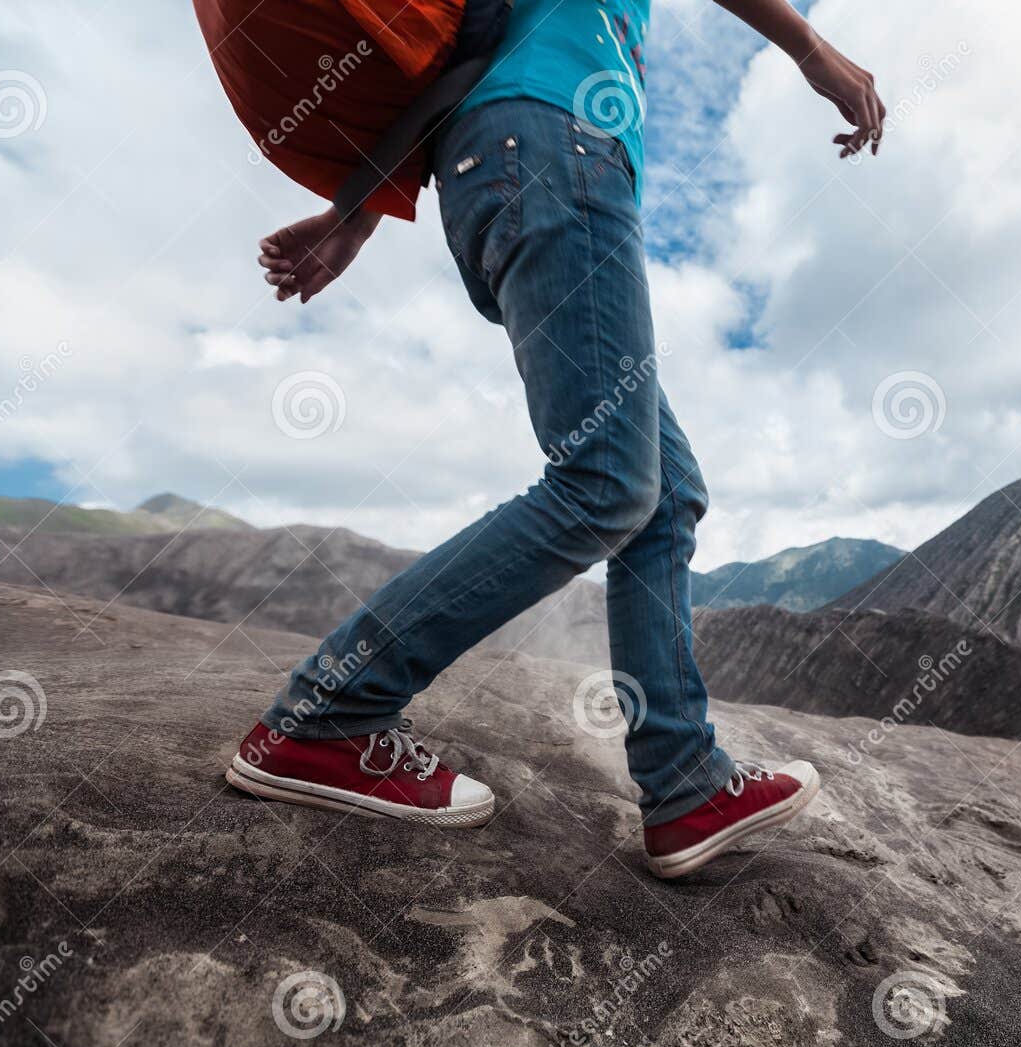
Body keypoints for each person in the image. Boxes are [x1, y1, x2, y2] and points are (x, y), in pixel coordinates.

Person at [224, 0, 885, 879]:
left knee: (662, 491)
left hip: (519, 160)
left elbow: (460, 54)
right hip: (552, 155)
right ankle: (325, 714)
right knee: (606, 481)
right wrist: (812, 46)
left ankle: (685, 786)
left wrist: (355, 215)